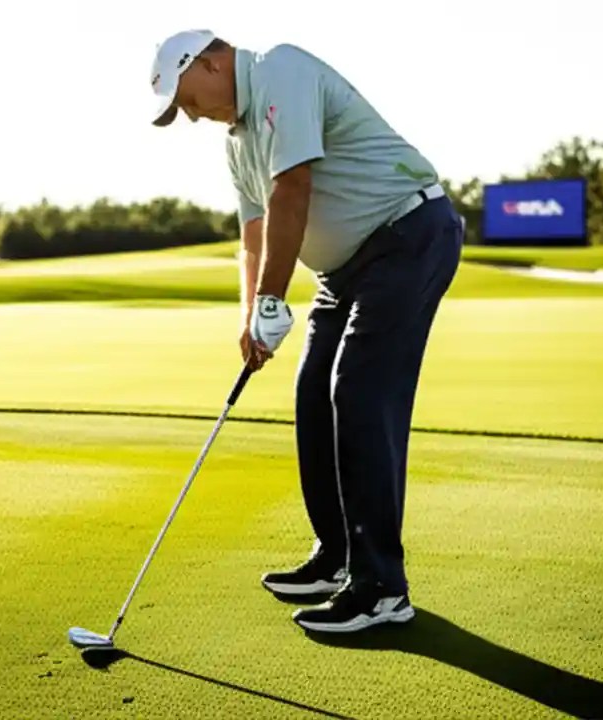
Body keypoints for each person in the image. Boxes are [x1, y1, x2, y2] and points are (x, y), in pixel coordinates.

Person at [148, 30, 463, 634]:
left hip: (407, 235)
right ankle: (336, 557)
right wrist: (252, 317)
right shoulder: (236, 144)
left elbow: (293, 191)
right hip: (342, 271)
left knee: (360, 393)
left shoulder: (281, 71)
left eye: (186, 100)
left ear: (211, 64)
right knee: (313, 392)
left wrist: (273, 298)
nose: (189, 116)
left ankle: (381, 589)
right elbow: (254, 237)